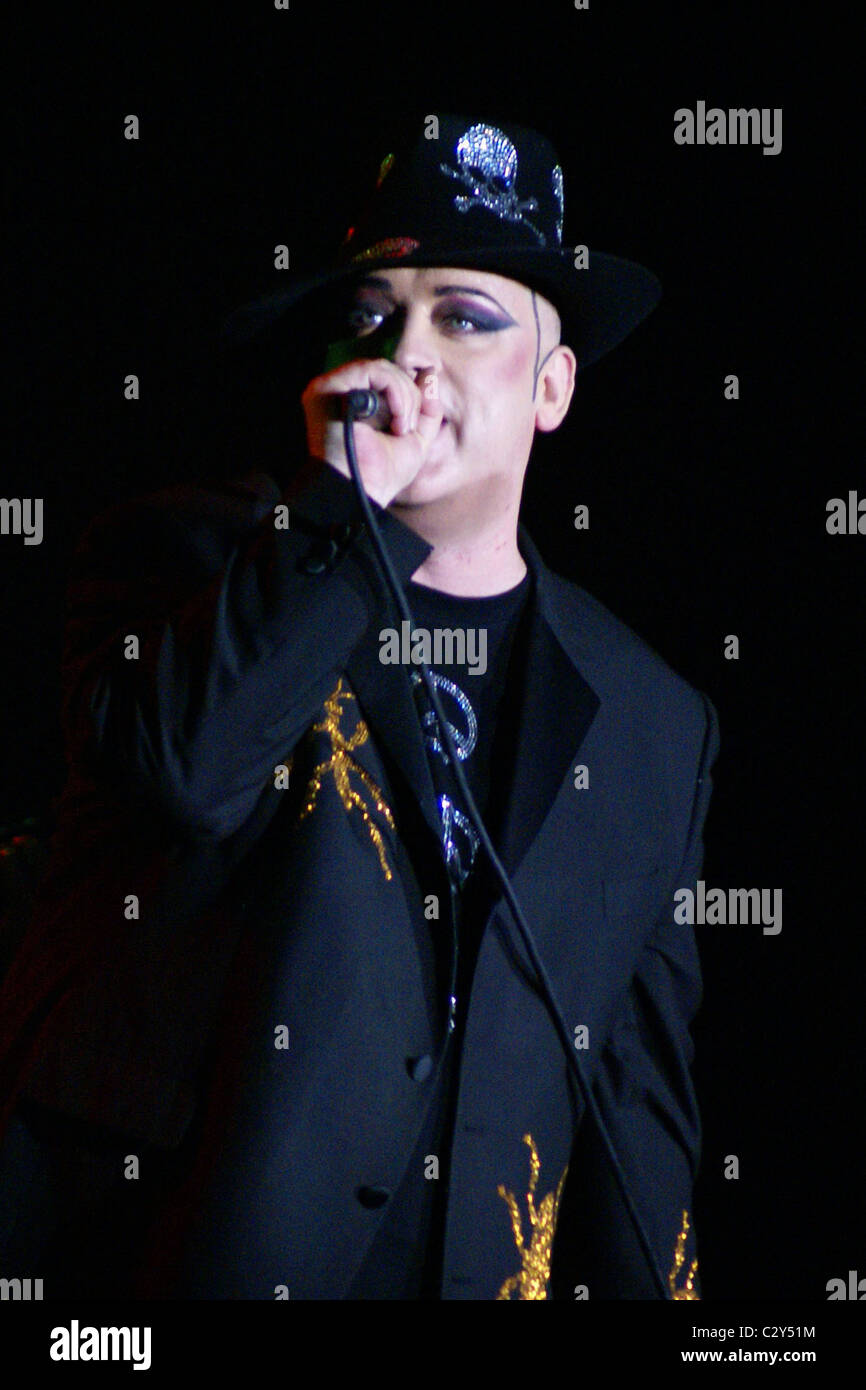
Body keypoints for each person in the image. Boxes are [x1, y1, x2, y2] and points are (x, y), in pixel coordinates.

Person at [0, 113, 718, 1300]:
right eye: (374, 314)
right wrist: (338, 506)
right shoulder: (189, 560)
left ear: (552, 388)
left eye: (465, 316)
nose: (410, 354)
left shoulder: (651, 720)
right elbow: (184, 772)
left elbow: (637, 1113)